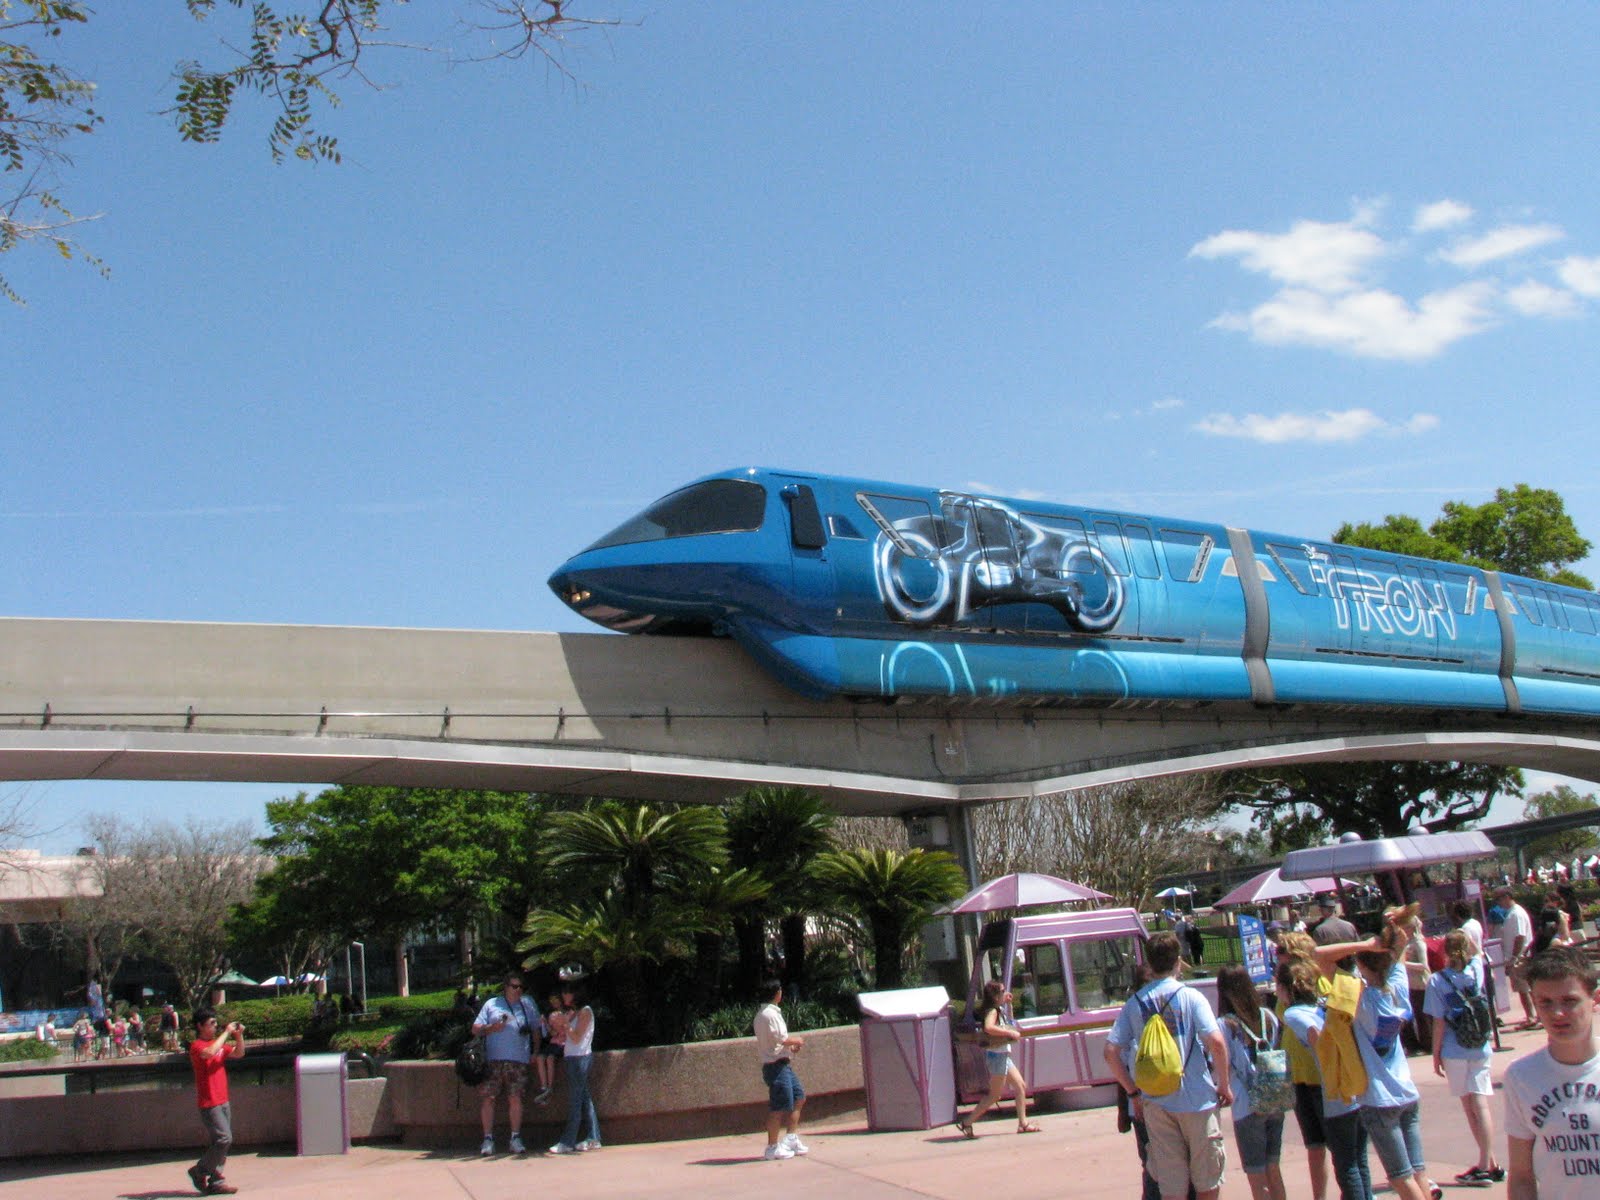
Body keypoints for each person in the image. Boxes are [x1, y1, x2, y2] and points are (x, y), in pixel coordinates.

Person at [1311, 906, 1437, 1200]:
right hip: (1406, 1091)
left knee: (1401, 1177)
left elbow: (1318, 956)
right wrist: (1391, 932)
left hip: (1379, 1100)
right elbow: (1399, 950)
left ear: (1361, 964)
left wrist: (1365, 944)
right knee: (1418, 1172)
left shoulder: (1358, 997)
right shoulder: (1397, 986)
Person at [1104, 931, 1232, 1200]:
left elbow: (1111, 1051)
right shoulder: (1191, 997)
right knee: (1207, 1181)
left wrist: (1132, 1092)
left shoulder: (1134, 1003)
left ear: (1149, 964)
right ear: (1178, 961)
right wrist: (1224, 1085)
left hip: (1156, 1102)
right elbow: (1216, 1043)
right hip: (1196, 1097)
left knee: (1171, 1185)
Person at [1503, 947, 1600, 1200]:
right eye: (1545, 1002)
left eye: (1569, 1001)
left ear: (1595, 999)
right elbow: (1521, 1175)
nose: (1557, 1013)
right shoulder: (1522, 1076)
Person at [1277, 956, 1369, 1200]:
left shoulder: (1294, 1013)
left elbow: (1314, 1035)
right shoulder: (1321, 1007)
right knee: (1359, 1160)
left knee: (1346, 1165)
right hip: (1355, 1087)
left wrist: (1326, 1055)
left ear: (1287, 988)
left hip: (1335, 1092)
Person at [1424, 930, 1501, 1183]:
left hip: (1454, 1048)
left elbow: (1438, 1022)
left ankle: (1483, 1165)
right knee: (1482, 1104)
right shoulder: (1476, 969)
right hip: (1480, 1045)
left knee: (1470, 1108)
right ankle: (1491, 1162)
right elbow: (1478, 954)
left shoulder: (1437, 980)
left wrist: (1435, 1055)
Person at [1216, 965, 1287, 1200]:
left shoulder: (1226, 1025)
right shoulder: (1269, 1017)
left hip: (1246, 1105)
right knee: (1273, 1169)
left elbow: (1222, 1065)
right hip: (1274, 1097)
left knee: (1257, 1177)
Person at [1275, 932, 1331, 1200]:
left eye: (1282, 951)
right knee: (1314, 1143)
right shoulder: (1285, 982)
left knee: (1336, 1141)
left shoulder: (1318, 982)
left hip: (1320, 1073)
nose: (1278, 956)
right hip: (1298, 1072)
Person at [956, 980, 1040, 1138]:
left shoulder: (998, 1009)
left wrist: (1008, 1005)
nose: (1005, 993)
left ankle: (1023, 1124)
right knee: (994, 1096)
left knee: (1020, 1086)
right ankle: (967, 1122)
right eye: (1002, 991)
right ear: (995, 996)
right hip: (997, 1057)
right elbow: (988, 1027)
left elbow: (1008, 1024)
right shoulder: (992, 1011)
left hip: (1002, 1056)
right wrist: (1009, 1034)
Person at [470, 972, 541, 1156]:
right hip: (493, 1059)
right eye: (514, 986)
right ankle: (487, 1139)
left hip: (518, 1059)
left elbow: (536, 1030)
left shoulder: (527, 1003)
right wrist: (492, 1028)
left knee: (515, 1097)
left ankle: (515, 1138)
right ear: (506, 987)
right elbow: (475, 1029)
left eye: (520, 987)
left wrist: (535, 1051)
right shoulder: (492, 1004)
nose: (518, 990)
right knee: (488, 1098)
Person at [187, 1006, 246, 1195]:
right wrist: (227, 1032)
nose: (215, 1027)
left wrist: (238, 1035)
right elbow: (210, 1052)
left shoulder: (217, 1043)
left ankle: (217, 1181)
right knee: (224, 1138)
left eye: (215, 1023)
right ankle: (199, 1171)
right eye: (211, 1024)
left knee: (220, 1144)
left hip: (223, 1099)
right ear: (200, 1026)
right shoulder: (197, 1046)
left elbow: (239, 1053)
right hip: (209, 1102)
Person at [753, 977, 810, 1160]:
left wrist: (790, 1049)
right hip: (775, 1067)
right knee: (778, 1107)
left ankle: (791, 1138)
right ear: (777, 993)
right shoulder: (768, 1015)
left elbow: (776, 1043)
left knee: (799, 1097)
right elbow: (781, 1038)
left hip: (782, 1063)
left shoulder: (768, 1014)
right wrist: (796, 1040)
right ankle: (772, 1147)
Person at [548, 980, 600, 1155]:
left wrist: (565, 1024)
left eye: (567, 992)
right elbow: (564, 1035)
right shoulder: (575, 1012)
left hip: (580, 1058)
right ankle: (594, 1137)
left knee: (576, 1100)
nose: (564, 996)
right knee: (584, 1099)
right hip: (571, 1057)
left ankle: (568, 1141)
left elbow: (577, 1037)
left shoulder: (585, 1012)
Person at [1496, 887, 1538, 1028]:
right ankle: (1534, 1015)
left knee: (1524, 989)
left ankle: (1532, 1017)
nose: (1498, 902)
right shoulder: (1512, 913)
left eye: (1499, 898)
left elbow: (1520, 936)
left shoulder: (1516, 914)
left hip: (1520, 958)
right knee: (1524, 988)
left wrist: (1514, 957)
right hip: (1518, 956)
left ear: (1508, 896)